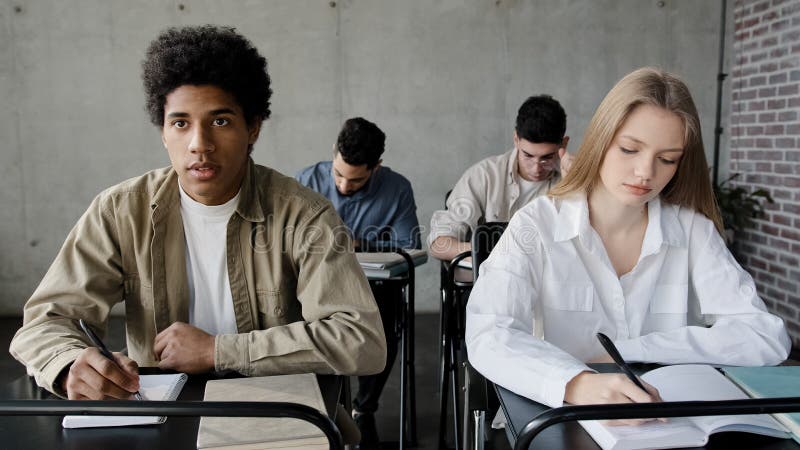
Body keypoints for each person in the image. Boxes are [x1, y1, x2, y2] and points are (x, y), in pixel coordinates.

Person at [10, 26, 386, 406]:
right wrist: (70, 364)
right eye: (180, 123)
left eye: (220, 121)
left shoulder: (303, 215)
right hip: (161, 415)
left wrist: (218, 351)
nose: (199, 144)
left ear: (252, 127)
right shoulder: (119, 211)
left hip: (276, 414)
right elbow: (45, 322)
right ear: (163, 131)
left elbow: (361, 340)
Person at [465, 67, 791, 421]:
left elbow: (764, 335)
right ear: (601, 140)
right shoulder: (537, 224)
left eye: (667, 159)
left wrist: (632, 350)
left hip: (675, 423)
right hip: (569, 420)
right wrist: (577, 383)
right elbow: (489, 332)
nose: (645, 173)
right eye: (629, 149)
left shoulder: (693, 230)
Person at [296, 117, 419, 448]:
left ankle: (364, 407)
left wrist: (358, 246)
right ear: (333, 153)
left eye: (356, 179)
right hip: (312, 285)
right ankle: (326, 405)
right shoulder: (306, 180)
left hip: (374, 289)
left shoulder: (397, 188)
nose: (344, 186)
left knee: (388, 316)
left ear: (376, 166)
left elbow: (408, 247)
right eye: (338, 174)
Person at [428, 95, 570, 261]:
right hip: (487, 277)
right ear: (516, 139)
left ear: (563, 145)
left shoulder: (573, 182)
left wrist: (575, 188)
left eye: (547, 157)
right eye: (528, 155)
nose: (536, 167)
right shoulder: (485, 175)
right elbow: (438, 244)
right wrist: (489, 254)